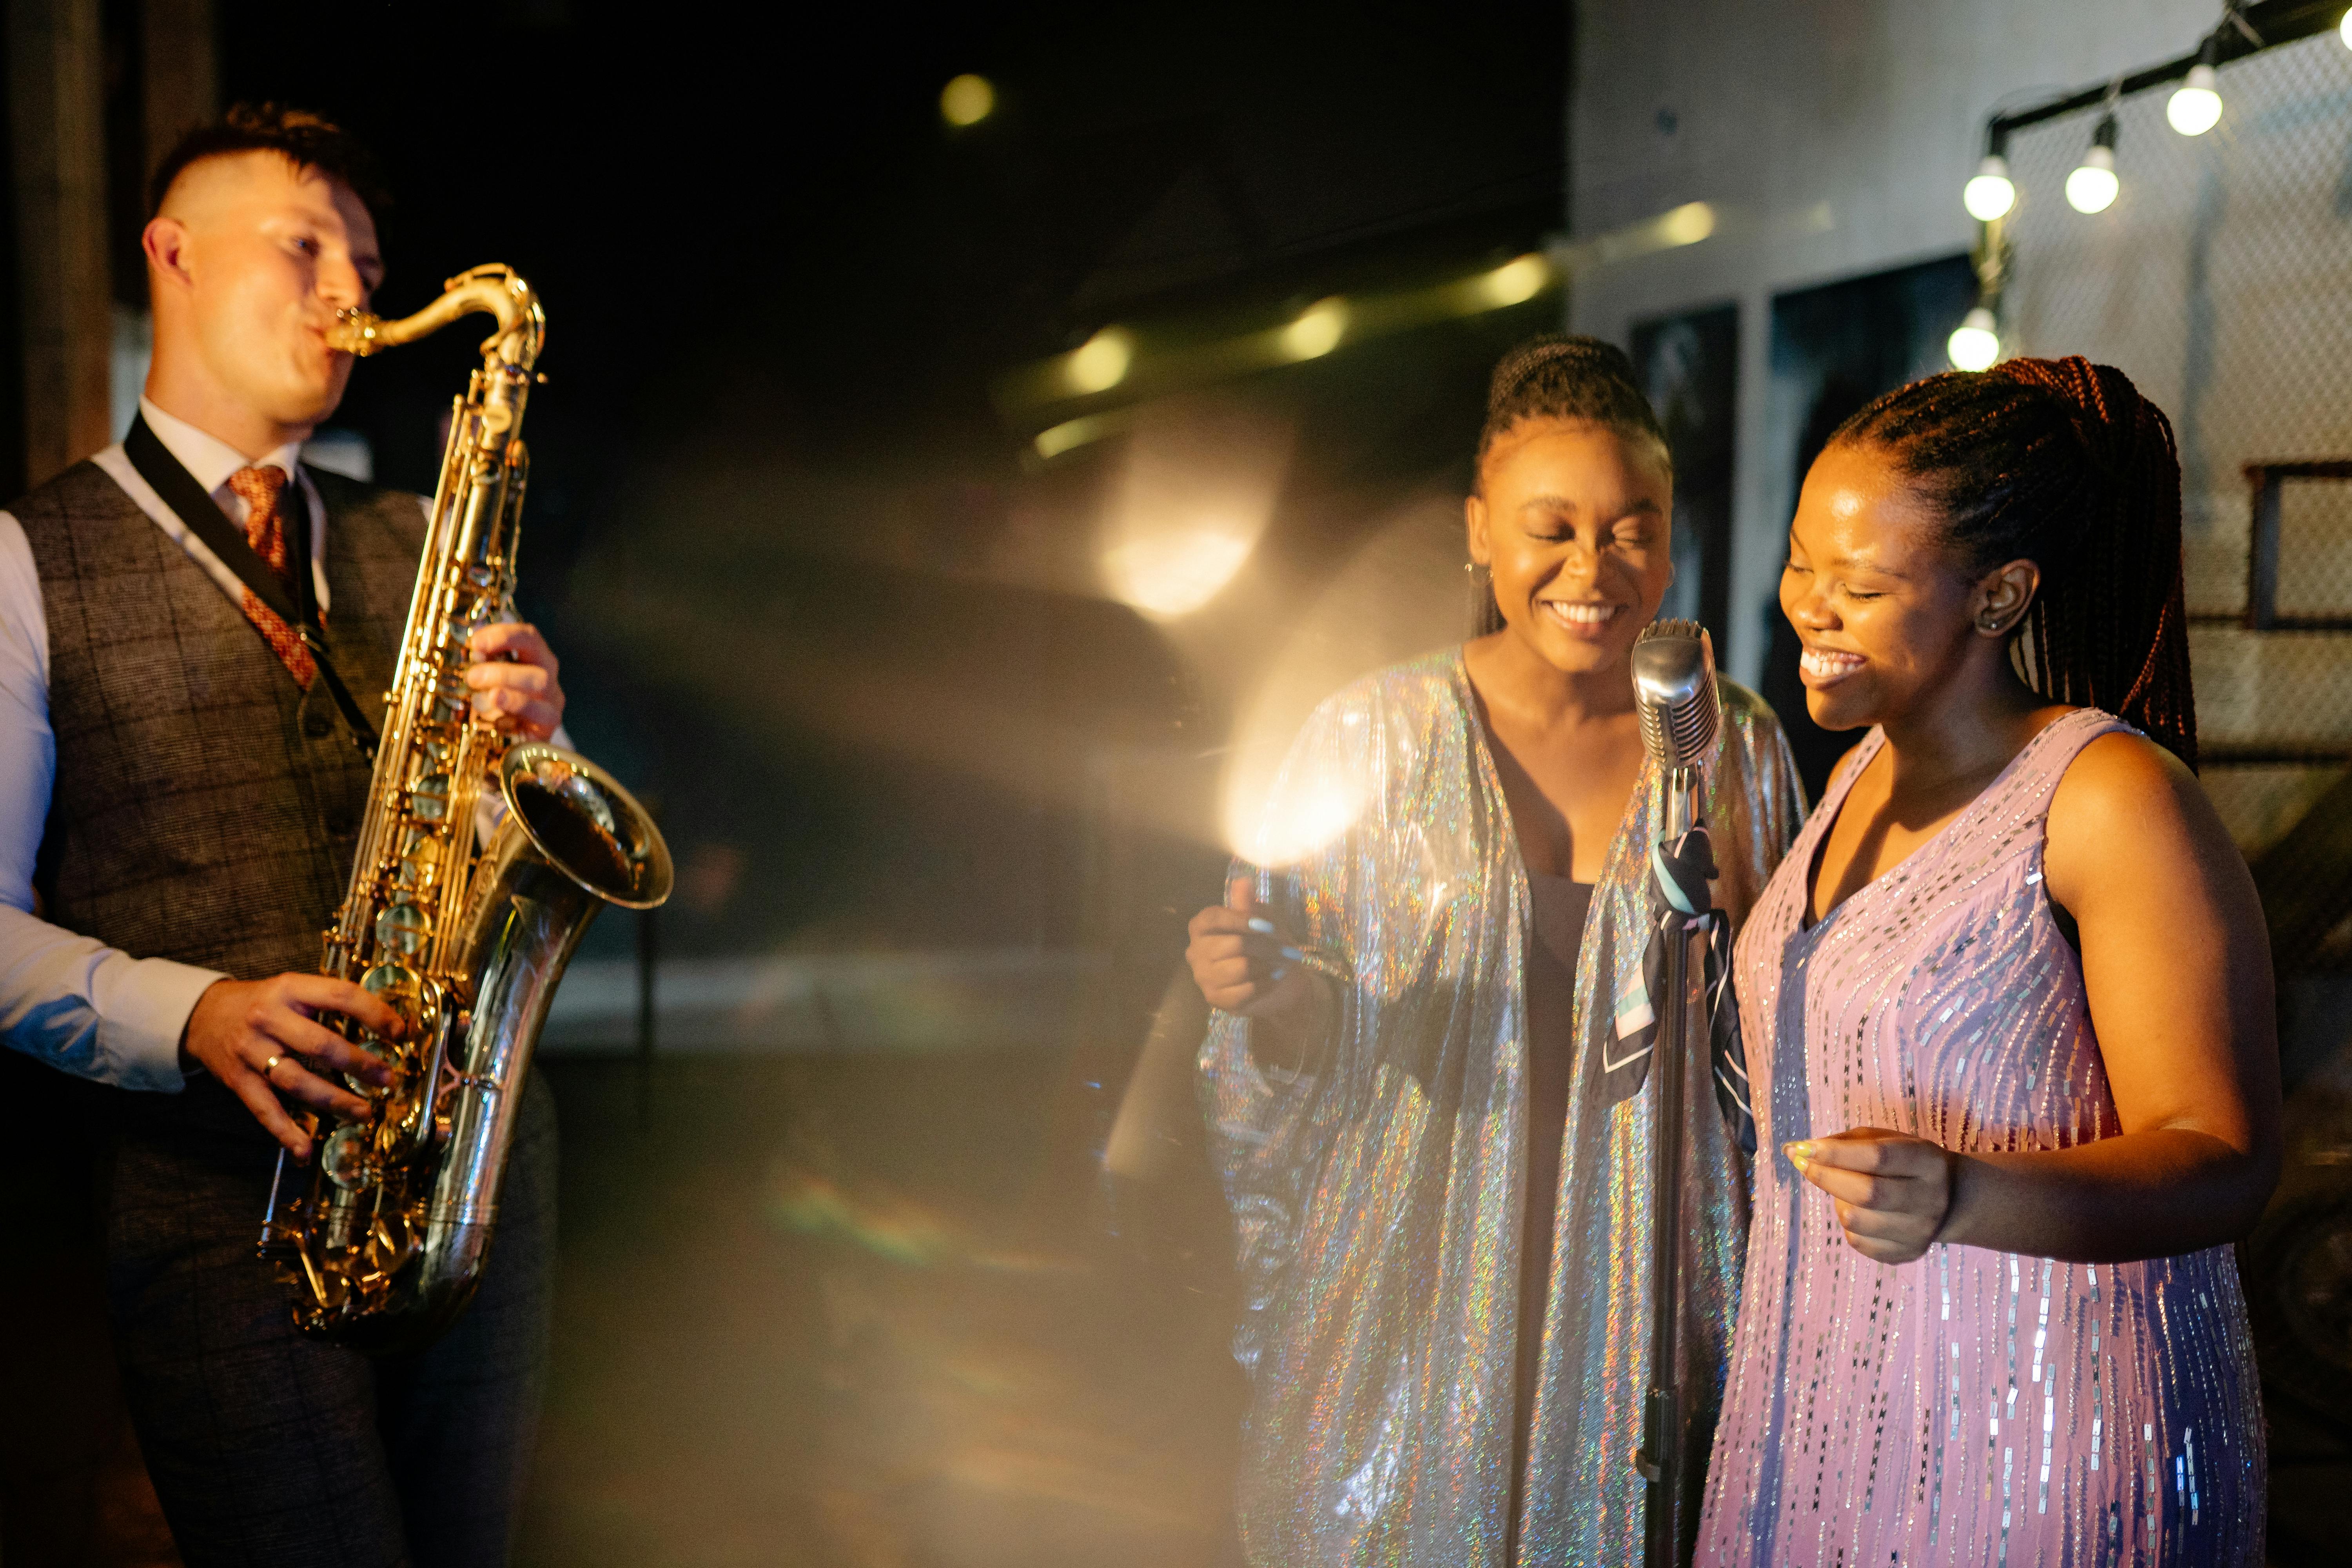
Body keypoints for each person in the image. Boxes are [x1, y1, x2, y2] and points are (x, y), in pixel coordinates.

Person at [0, 105, 568, 1566]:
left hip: (472, 1184)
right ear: (172, 255)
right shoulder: (21, 556)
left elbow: (516, 838)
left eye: (366, 263)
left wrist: (537, 749)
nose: (349, 293)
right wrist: (195, 1015)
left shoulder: (414, 534)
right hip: (221, 1220)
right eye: (304, 247)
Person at [1184, 336, 1806, 1565]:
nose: (1593, 566)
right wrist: (1264, 996)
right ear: (1480, 532)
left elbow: (1774, 1043)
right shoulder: (1369, 739)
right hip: (1413, 1292)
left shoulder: (1730, 744)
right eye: (1552, 527)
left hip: (1649, 1297)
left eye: (1632, 527)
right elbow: (1299, 1061)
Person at [1695, 357, 2276, 1565]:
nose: (1809, 605)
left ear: (2001, 596)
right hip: (1826, 1408)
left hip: (2039, 1439)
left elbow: (2224, 1158)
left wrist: (1969, 1194)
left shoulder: (2108, 798)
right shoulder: (1859, 773)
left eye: (1859, 583)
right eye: (1805, 561)